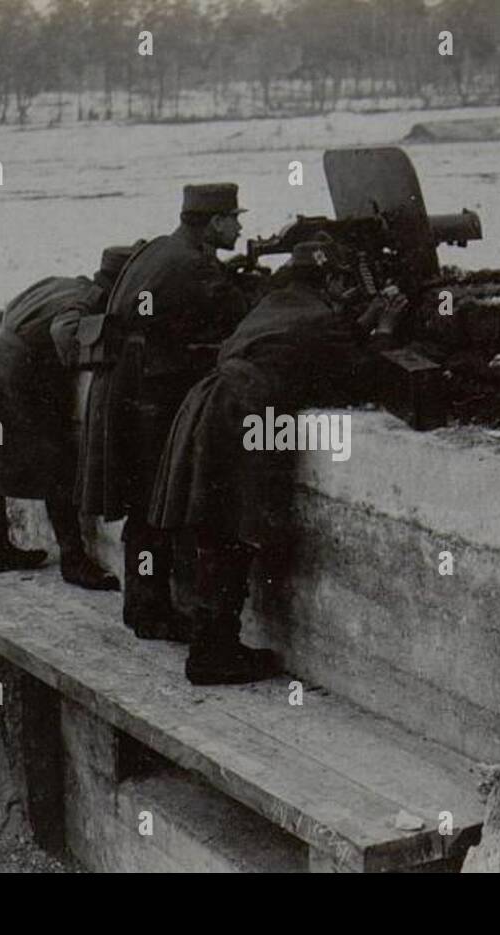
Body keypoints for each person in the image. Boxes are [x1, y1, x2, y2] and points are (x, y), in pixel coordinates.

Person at [147, 239, 409, 685]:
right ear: (332, 280)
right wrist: (384, 327)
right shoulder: (322, 317)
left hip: (211, 402)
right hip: (246, 411)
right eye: (343, 283)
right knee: (236, 528)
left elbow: (305, 344)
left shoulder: (276, 305)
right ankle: (214, 655)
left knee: (214, 527)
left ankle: (211, 646)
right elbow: (357, 377)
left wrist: (355, 326)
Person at [77, 184, 250, 641]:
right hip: (146, 397)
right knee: (155, 504)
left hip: (124, 387)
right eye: (233, 218)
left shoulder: (161, 248)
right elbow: (240, 316)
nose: (239, 226)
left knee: (143, 505)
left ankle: (143, 606)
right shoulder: (193, 265)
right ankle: (150, 611)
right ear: (213, 222)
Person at [0, 247, 132, 588]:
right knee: (56, 463)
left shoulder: (63, 283)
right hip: (18, 374)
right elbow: (65, 333)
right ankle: (73, 561)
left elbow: (14, 306)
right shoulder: (87, 301)